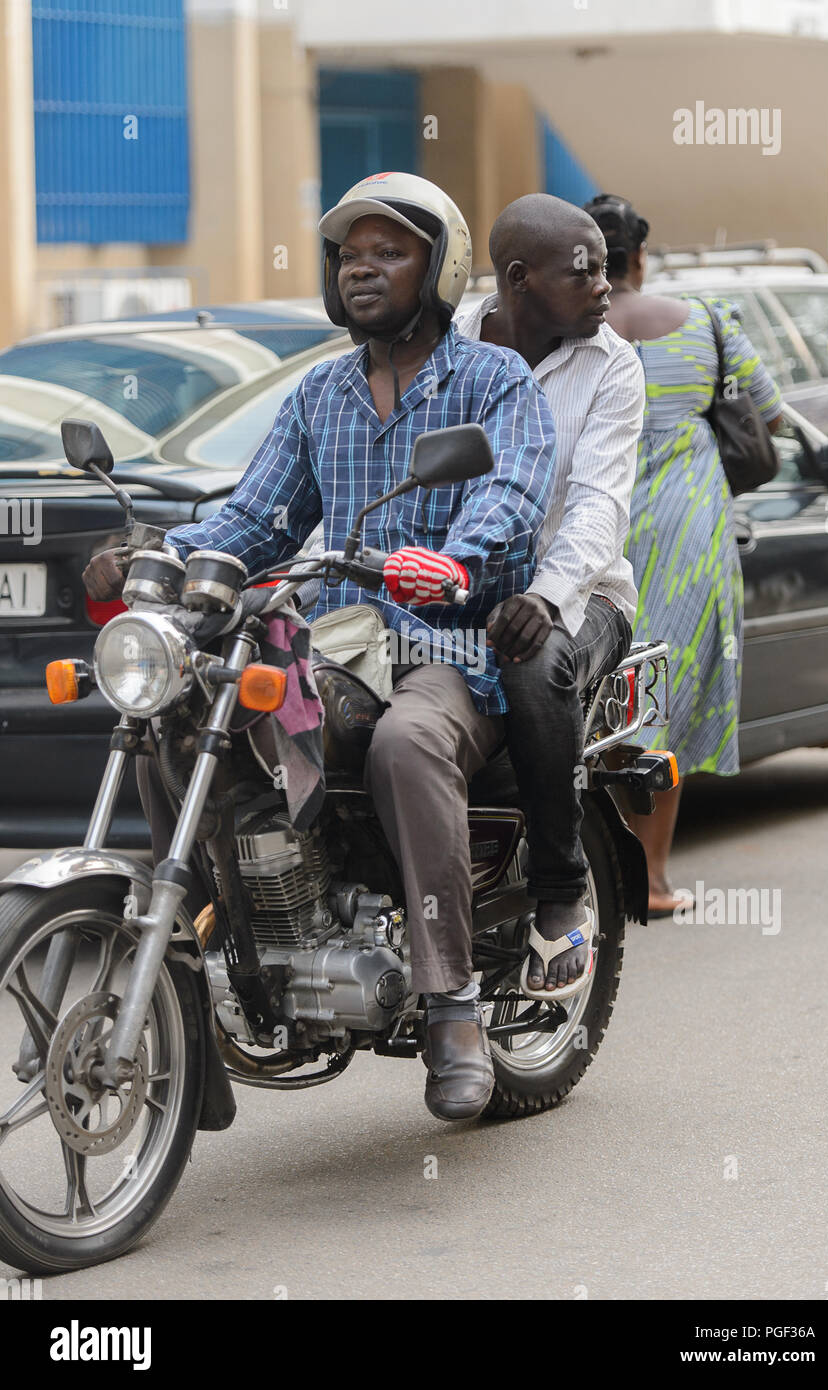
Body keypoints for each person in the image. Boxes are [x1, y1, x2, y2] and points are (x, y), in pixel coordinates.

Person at [83, 171, 557, 1122]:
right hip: (335, 647)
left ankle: (452, 1004)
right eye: (349, 254)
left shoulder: (492, 380)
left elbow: (510, 494)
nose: (364, 270)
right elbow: (255, 515)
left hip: (445, 648)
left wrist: (453, 564)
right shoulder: (319, 395)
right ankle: (230, 947)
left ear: (440, 268)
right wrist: (159, 558)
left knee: (406, 744)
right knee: (187, 713)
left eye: (391, 252)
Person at [455, 194, 641, 997]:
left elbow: (600, 503)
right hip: (459, 592)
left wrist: (547, 595)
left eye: (606, 267)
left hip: (585, 593)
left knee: (534, 666)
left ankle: (560, 896)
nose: (606, 285)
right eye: (586, 270)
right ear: (519, 280)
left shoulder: (612, 364)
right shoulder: (449, 344)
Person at [585, 193, 783, 916]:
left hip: (594, 530)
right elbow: (769, 414)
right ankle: (654, 879)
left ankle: (590, 871)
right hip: (686, 532)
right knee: (658, 696)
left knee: (592, 698)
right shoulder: (703, 323)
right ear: (640, 256)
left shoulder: (563, 331)